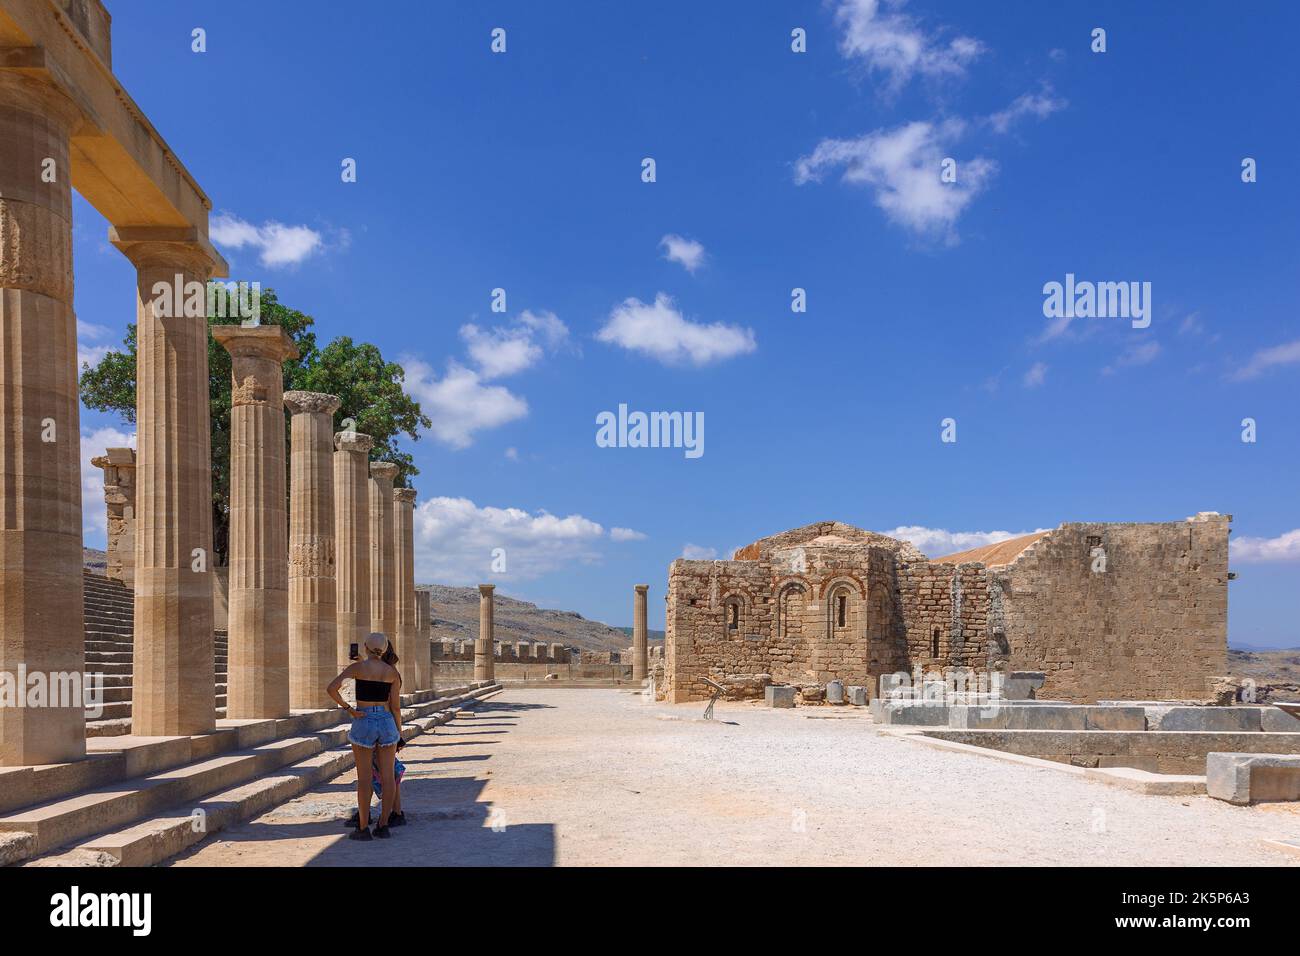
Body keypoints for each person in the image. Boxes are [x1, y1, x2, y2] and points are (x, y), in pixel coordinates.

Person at [327, 632, 402, 840]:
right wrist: (399, 733)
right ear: (385, 649)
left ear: (366, 648)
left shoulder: (357, 668)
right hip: (387, 721)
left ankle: (362, 828)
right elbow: (395, 707)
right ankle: (383, 825)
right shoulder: (392, 672)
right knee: (388, 778)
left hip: (364, 719)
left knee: (365, 778)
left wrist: (349, 709)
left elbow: (331, 688)